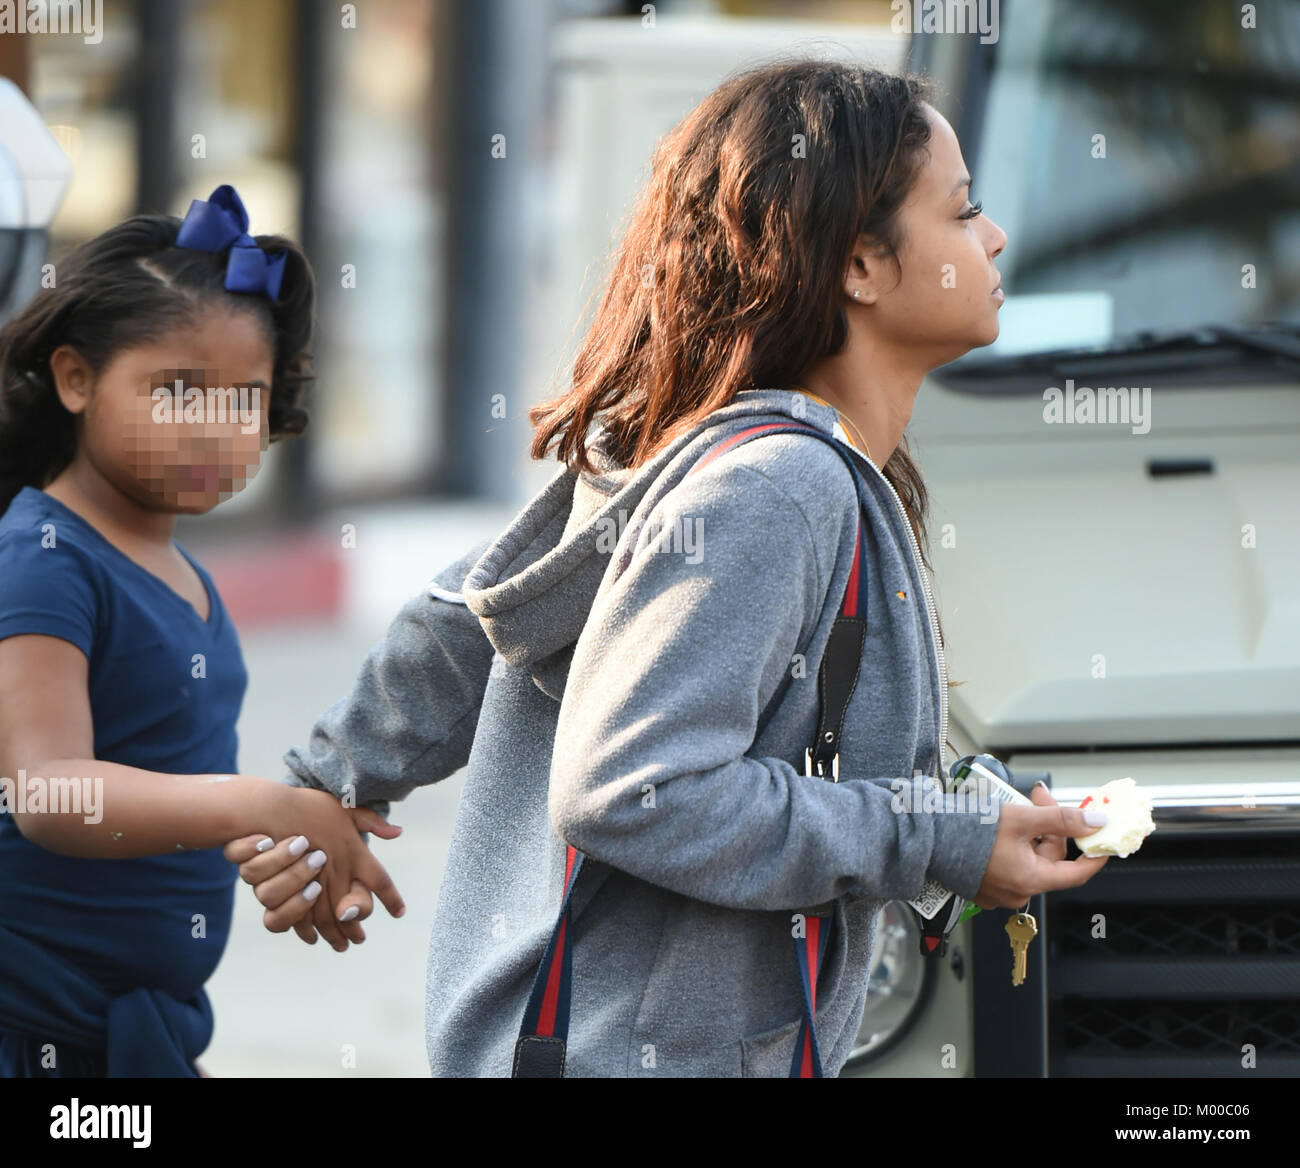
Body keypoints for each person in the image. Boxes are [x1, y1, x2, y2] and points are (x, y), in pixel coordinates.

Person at [230, 62, 1109, 1077]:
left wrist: (320, 788)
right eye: (962, 212)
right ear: (859, 265)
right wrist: (933, 837)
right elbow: (631, 788)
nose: (993, 238)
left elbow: (471, 614)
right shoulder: (778, 487)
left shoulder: (687, 450)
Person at [0, 185, 403, 1077]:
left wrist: (284, 848)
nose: (214, 427)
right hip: (36, 1034)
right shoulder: (44, 557)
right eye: (176, 390)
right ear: (75, 378)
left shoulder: (181, 574)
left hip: (139, 1034)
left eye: (242, 397)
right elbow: (48, 792)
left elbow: (163, 796)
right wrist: (255, 801)